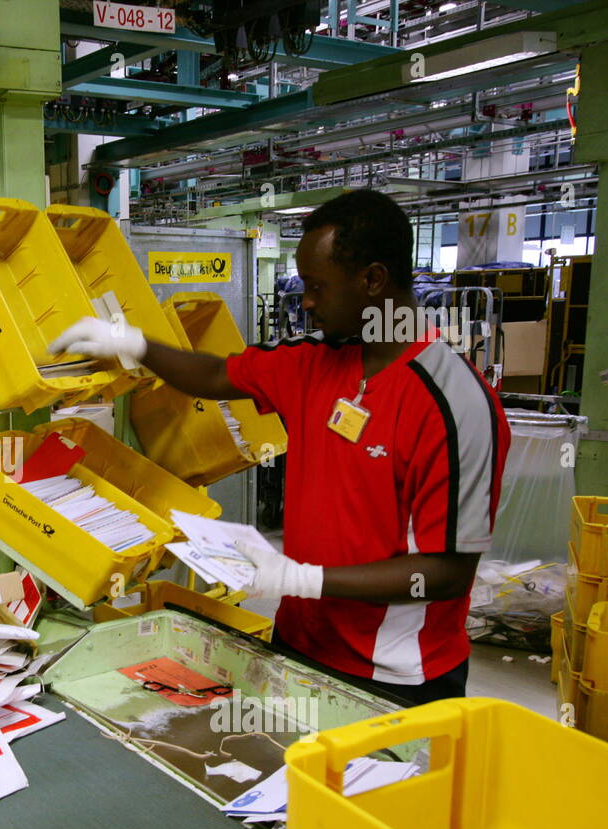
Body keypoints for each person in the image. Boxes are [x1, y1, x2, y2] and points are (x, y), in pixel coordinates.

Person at [47, 189, 510, 707]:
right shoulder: (311, 361)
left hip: (396, 676)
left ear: (373, 280)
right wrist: (133, 344)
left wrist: (300, 577)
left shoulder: (453, 403)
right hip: (299, 645)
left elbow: (446, 574)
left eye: (317, 287)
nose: (306, 302)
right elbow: (219, 372)